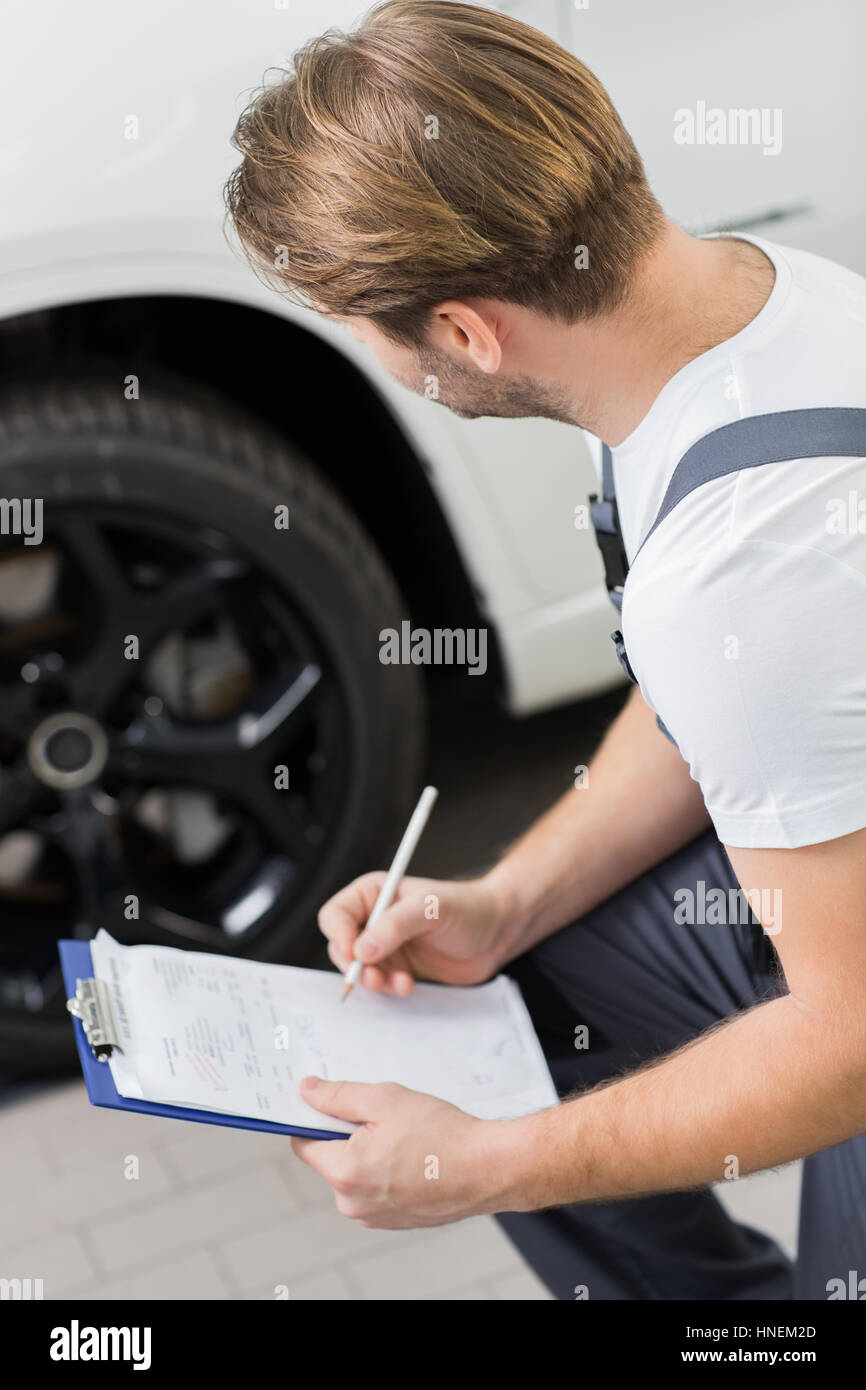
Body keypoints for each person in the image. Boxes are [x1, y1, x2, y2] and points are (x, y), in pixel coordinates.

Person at [225, 0, 866, 1299]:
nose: (361, 344)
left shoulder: (760, 558)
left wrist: (484, 1163)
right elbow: (710, 699)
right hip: (827, 863)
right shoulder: (726, 310)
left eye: (357, 316)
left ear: (464, 332)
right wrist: (502, 905)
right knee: (502, 1005)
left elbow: (848, 1037)